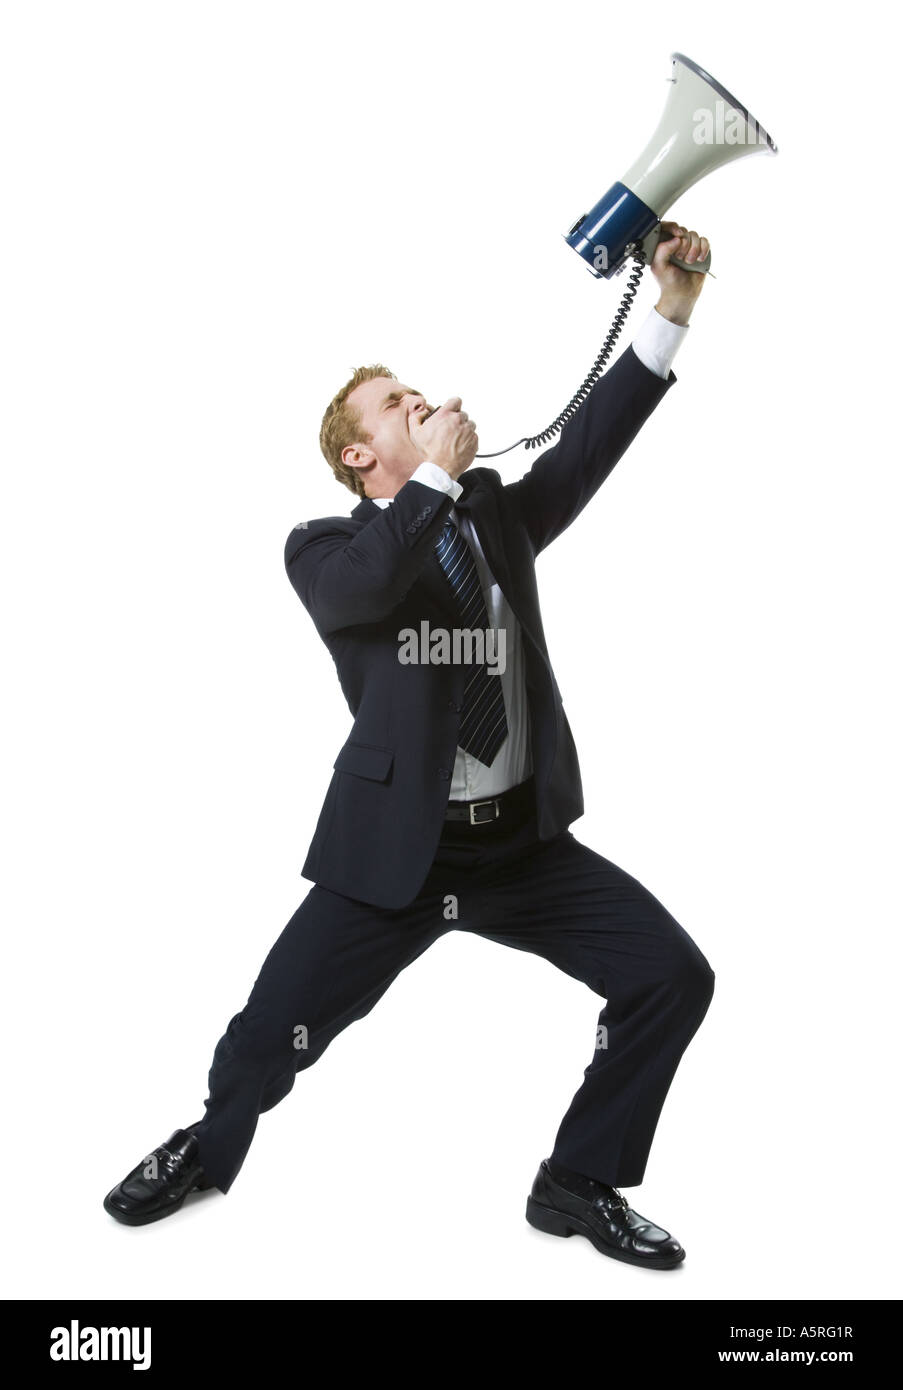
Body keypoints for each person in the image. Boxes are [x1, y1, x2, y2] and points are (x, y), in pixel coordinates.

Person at [104, 222, 716, 1270]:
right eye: (397, 404)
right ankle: (209, 1149)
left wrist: (667, 308)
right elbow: (366, 592)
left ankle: (578, 1181)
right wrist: (430, 482)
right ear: (359, 453)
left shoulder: (487, 514)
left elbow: (584, 450)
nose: (421, 401)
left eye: (414, 392)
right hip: (398, 857)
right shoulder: (325, 548)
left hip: (517, 851)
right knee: (269, 1036)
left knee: (672, 975)